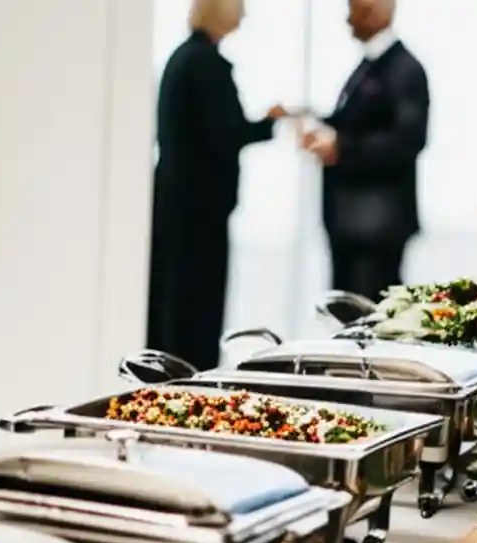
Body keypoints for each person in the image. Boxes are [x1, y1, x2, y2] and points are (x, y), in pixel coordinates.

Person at [148, 0, 286, 370]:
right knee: (195, 309)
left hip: (180, 204)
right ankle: (191, 383)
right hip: (197, 211)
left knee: (175, 303)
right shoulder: (204, 63)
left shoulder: (186, 59)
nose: (244, 14)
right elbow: (224, 131)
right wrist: (269, 122)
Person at [302, 0, 429, 302]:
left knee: (367, 317)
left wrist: (342, 148)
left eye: (355, 7)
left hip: (376, 226)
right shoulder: (368, 67)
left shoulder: (404, 69)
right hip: (350, 221)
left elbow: (406, 141)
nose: (348, 17)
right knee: (345, 315)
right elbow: (356, 122)